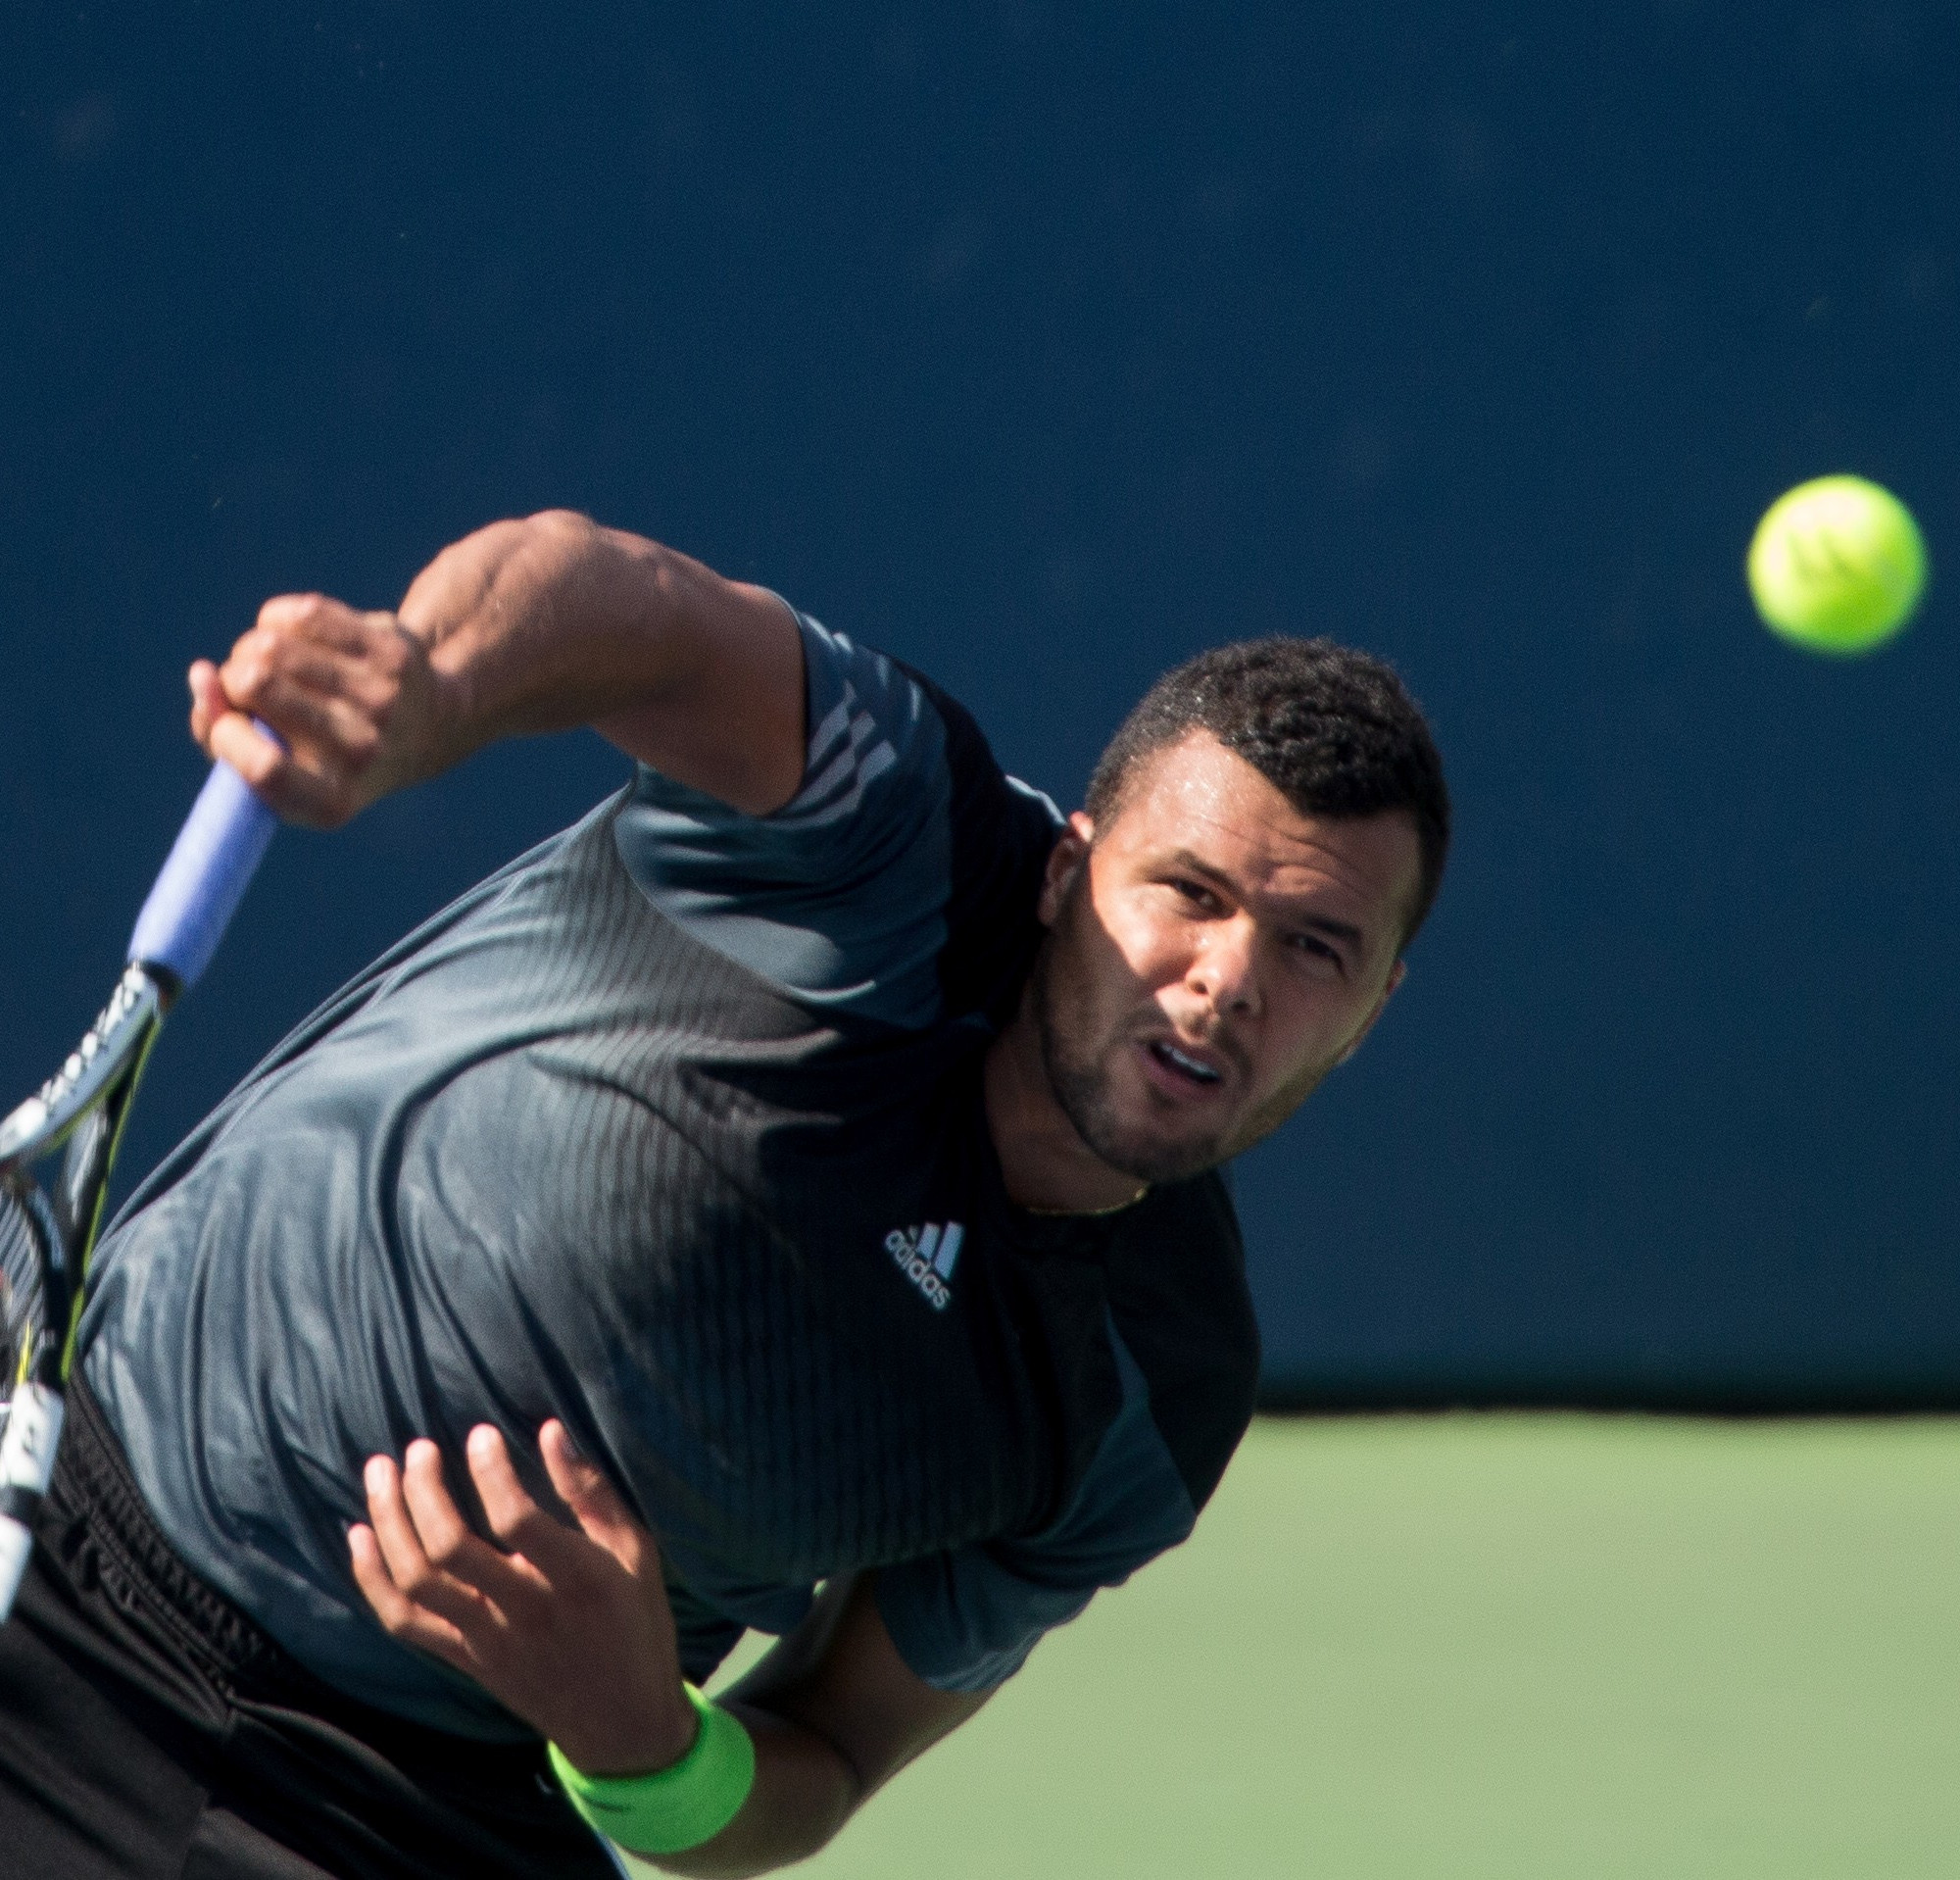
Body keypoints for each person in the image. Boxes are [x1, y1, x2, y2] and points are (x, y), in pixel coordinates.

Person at [0, 512, 1448, 1879]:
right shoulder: (885, 832)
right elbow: (637, 609)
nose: (1228, 981)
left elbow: (830, 1754)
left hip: (398, 1810)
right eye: (1190, 891)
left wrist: (644, 1743)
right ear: (1070, 869)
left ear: (1377, 1007)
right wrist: (429, 680)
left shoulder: (1154, 1387)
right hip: (71, 1525)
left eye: (1315, 947)